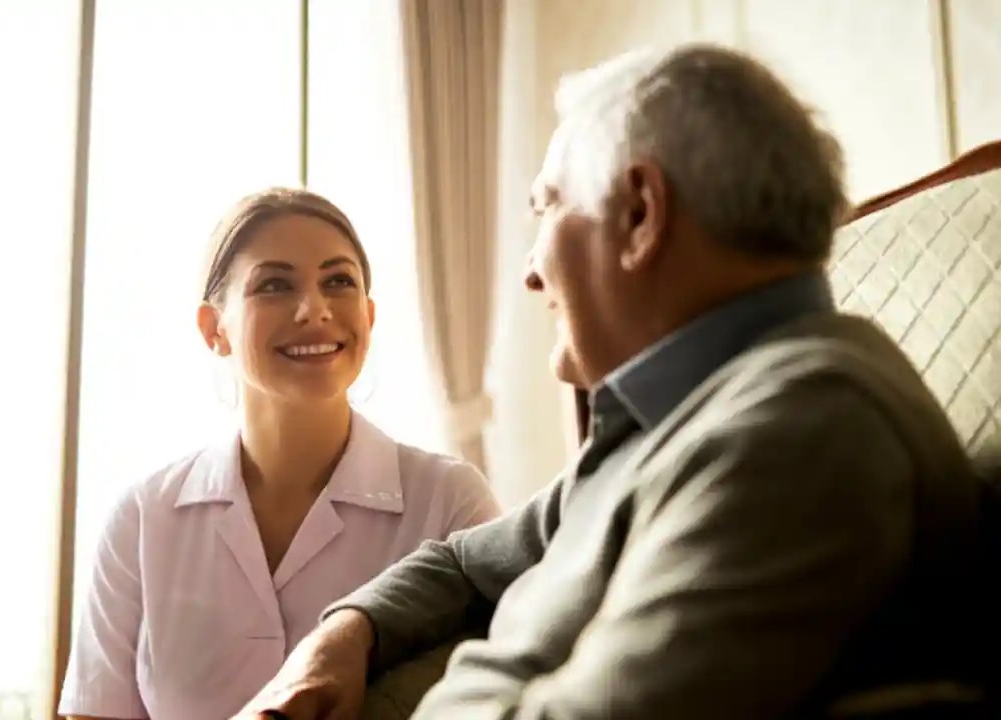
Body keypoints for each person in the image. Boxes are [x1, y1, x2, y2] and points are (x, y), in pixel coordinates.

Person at [237, 44, 984, 719]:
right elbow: (463, 561)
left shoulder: (801, 432)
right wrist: (344, 632)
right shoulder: (676, 415)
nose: (532, 270)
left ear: (639, 214)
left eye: (550, 208)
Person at [58, 188, 501, 720]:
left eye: (339, 282)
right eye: (274, 285)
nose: (314, 309)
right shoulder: (142, 519)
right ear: (213, 329)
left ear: (369, 314)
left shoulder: (450, 502)